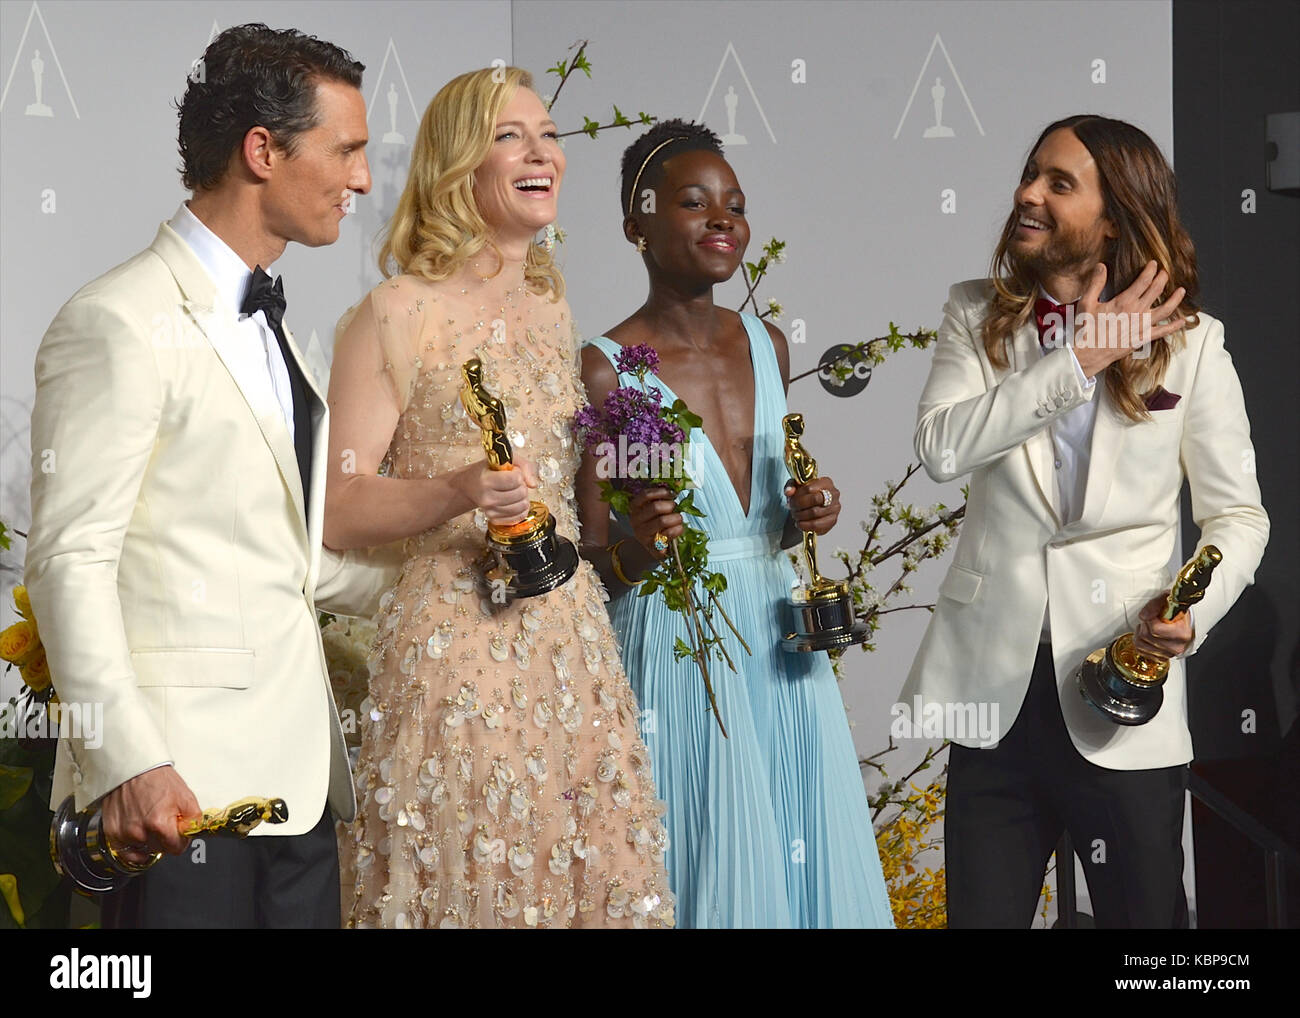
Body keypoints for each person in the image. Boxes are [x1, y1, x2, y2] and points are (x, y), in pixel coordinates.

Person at [24, 23, 401, 928]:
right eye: (346, 151)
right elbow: (69, 559)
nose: (362, 180)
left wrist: (445, 578)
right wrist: (128, 762)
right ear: (262, 150)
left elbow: (290, 560)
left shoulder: (279, 332)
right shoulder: (118, 319)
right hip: (178, 795)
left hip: (299, 789)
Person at [324, 67, 674, 929]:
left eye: (548, 135)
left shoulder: (551, 308)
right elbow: (334, 503)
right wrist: (456, 490)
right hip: (455, 648)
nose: (540, 153)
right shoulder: (395, 311)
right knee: (469, 877)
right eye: (510, 136)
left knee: (579, 872)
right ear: (457, 165)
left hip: (570, 645)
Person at [903, 115, 1269, 928]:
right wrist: (1077, 362)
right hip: (992, 697)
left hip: (1120, 689)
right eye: (1031, 173)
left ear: (1115, 217)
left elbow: (1237, 517)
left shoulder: (1195, 345)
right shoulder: (975, 314)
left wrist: (1190, 613)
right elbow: (940, 448)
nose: (1027, 194)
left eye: (1058, 183)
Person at [576, 119, 894, 928]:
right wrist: (640, 551)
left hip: (781, 637)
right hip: (681, 649)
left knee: (799, 841)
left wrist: (804, 513)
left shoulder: (769, 344)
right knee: (709, 853)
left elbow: (770, 523)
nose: (723, 220)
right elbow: (590, 561)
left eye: (735, 205)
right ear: (635, 224)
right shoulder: (604, 367)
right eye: (694, 202)